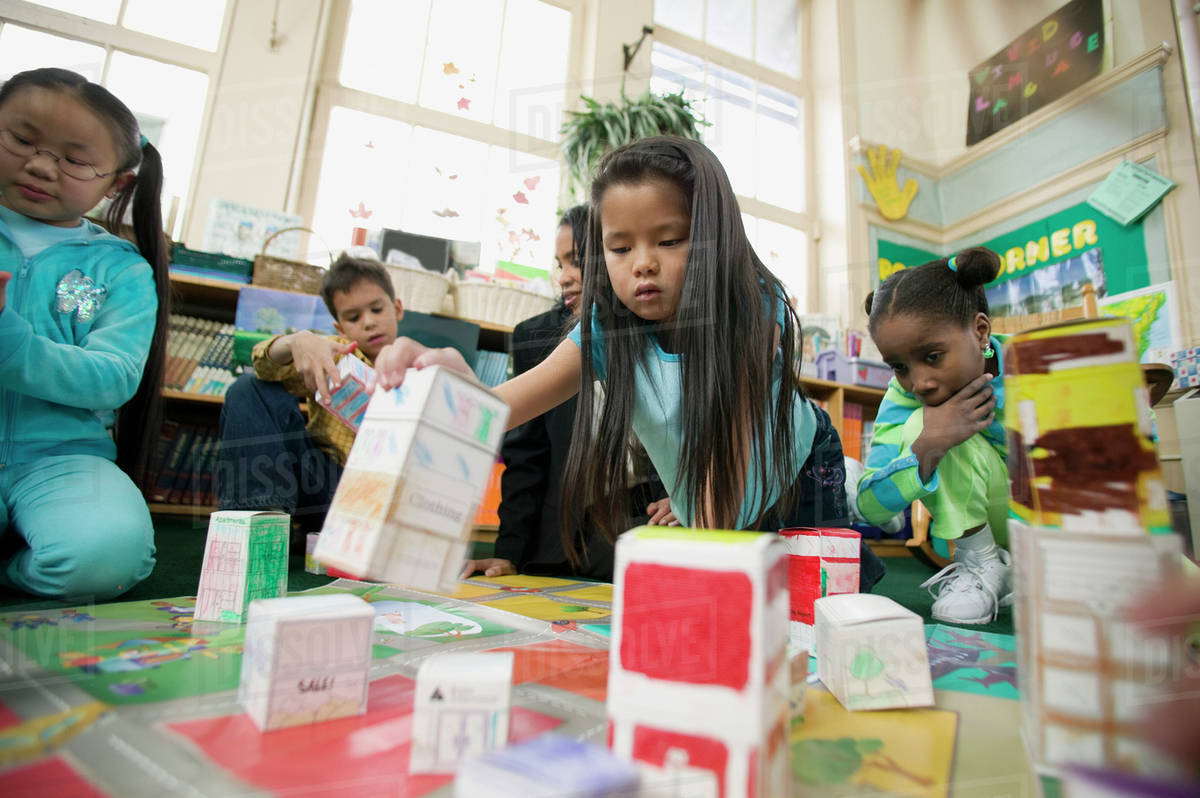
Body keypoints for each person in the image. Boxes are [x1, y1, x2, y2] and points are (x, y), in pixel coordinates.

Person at [376, 136, 883, 589]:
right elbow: (504, 406)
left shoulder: (751, 305)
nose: (642, 262)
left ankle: (857, 491)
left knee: (814, 600)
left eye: (669, 241)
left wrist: (697, 524)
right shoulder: (605, 329)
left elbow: (734, 439)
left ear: (715, 238)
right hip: (708, 483)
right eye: (620, 247)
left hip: (793, 463)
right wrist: (445, 379)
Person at [0, 67, 169, 599]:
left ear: (116, 183)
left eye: (74, 160)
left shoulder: (120, 268)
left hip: (64, 458)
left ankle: (14, 569)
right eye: (22, 139)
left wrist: (11, 343)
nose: (41, 164)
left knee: (108, 554)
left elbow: (112, 377)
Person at [462, 205, 668, 580]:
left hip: (644, 521)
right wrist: (508, 553)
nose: (564, 277)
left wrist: (684, 499)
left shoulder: (654, 323)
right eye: (559, 264)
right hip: (561, 537)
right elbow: (526, 456)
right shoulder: (535, 336)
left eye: (576, 262)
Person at [856, 247, 1008, 625]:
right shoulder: (903, 398)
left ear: (981, 330)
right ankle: (981, 565)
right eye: (899, 366)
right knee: (928, 426)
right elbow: (870, 505)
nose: (919, 382)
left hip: (1051, 522)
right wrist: (929, 445)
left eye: (934, 356)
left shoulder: (1035, 367)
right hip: (982, 533)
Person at [217, 255, 403, 532]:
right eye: (354, 317)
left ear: (397, 308)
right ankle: (256, 522)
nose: (368, 323)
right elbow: (263, 367)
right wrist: (295, 342)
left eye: (377, 309)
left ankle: (312, 534)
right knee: (248, 387)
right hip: (324, 484)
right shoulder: (331, 353)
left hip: (384, 501)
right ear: (339, 327)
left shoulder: (418, 368)